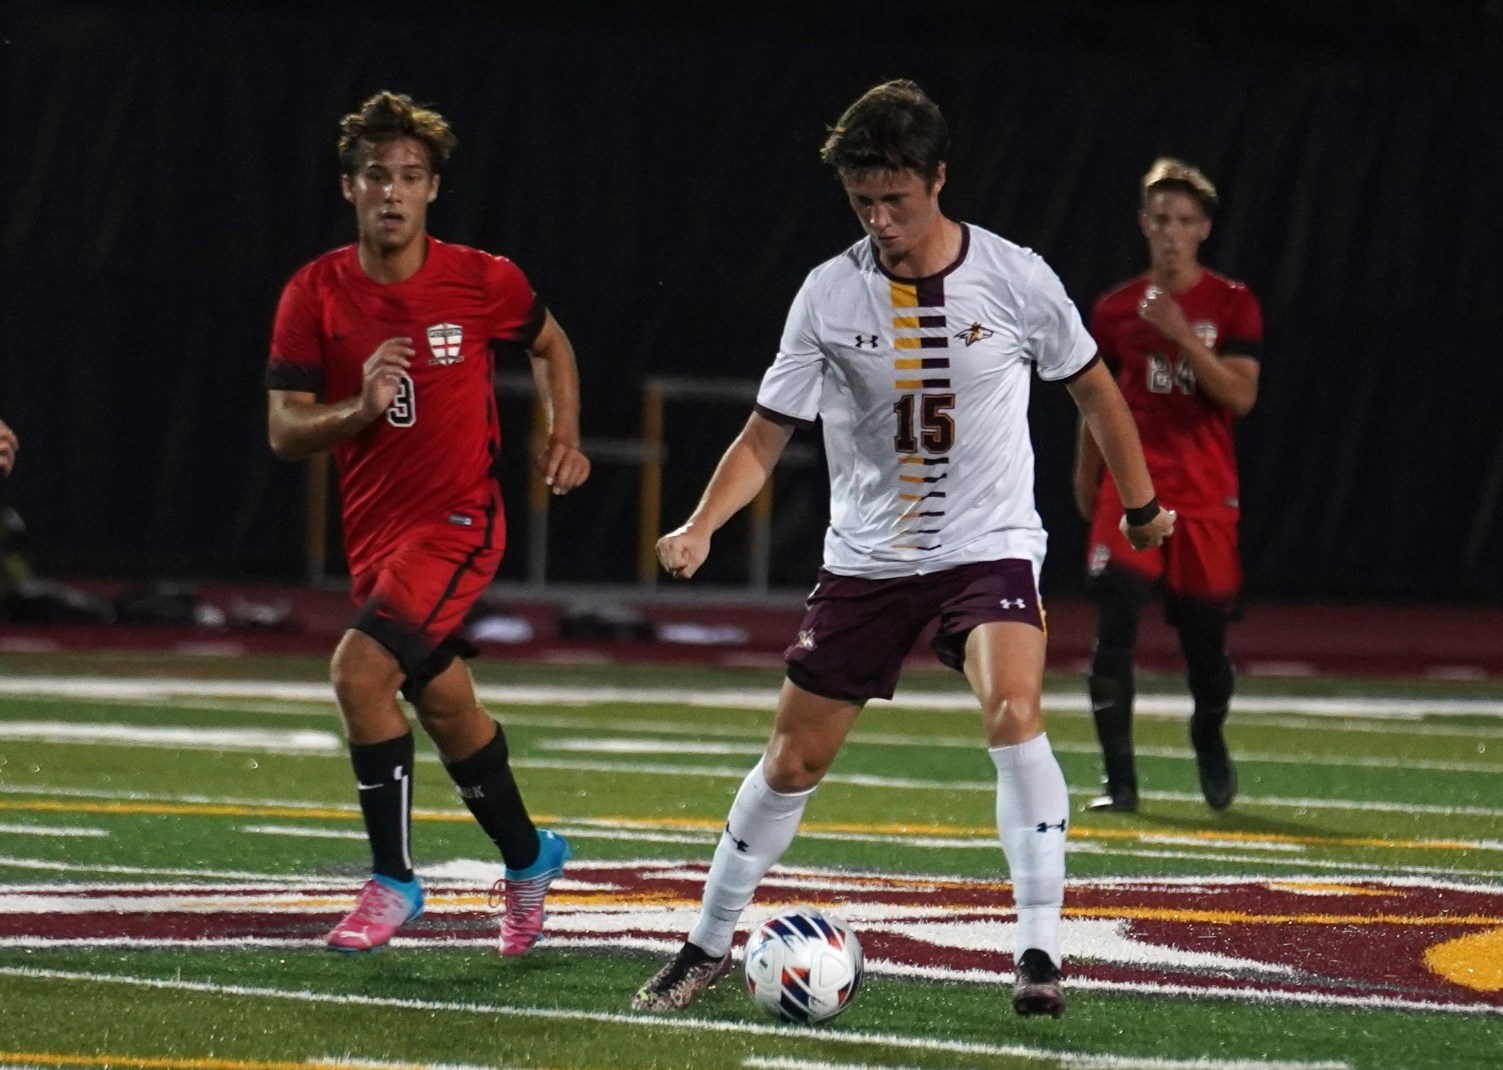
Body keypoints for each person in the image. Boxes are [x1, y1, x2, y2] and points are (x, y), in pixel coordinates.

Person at [632, 79, 1174, 1019]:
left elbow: (1095, 392)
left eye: (896, 198)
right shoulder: (826, 293)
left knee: (1011, 710)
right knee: (794, 761)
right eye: (861, 202)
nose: (880, 219)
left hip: (987, 547)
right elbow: (766, 433)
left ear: (938, 179)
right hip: (868, 560)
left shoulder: (1013, 276)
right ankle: (705, 943)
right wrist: (701, 523)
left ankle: (1038, 954)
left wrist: (1140, 507)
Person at [265, 91, 590, 955]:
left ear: (433, 189)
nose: (393, 192)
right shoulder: (313, 292)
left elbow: (550, 342)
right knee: (444, 705)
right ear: (349, 187)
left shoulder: (482, 278)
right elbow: (285, 429)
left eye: (410, 176)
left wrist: (562, 433)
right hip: (374, 539)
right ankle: (529, 858)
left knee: (358, 675)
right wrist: (358, 408)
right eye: (377, 176)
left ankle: (393, 881)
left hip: (459, 522)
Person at [1073, 157, 1262, 814]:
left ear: (1203, 228)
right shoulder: (1114, 307)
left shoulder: (1231, 303)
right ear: (1143, 225)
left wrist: (1181, 336)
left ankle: (1207, 735)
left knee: (1204, 641)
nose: (1170, 232)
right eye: (1159, 219)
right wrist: (1086, 473)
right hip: (1132, 488)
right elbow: (1095, 398)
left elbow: (1239, 396)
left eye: (1183, 220)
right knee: (1114, 622)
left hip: (1206, 493)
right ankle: (1118, 782)